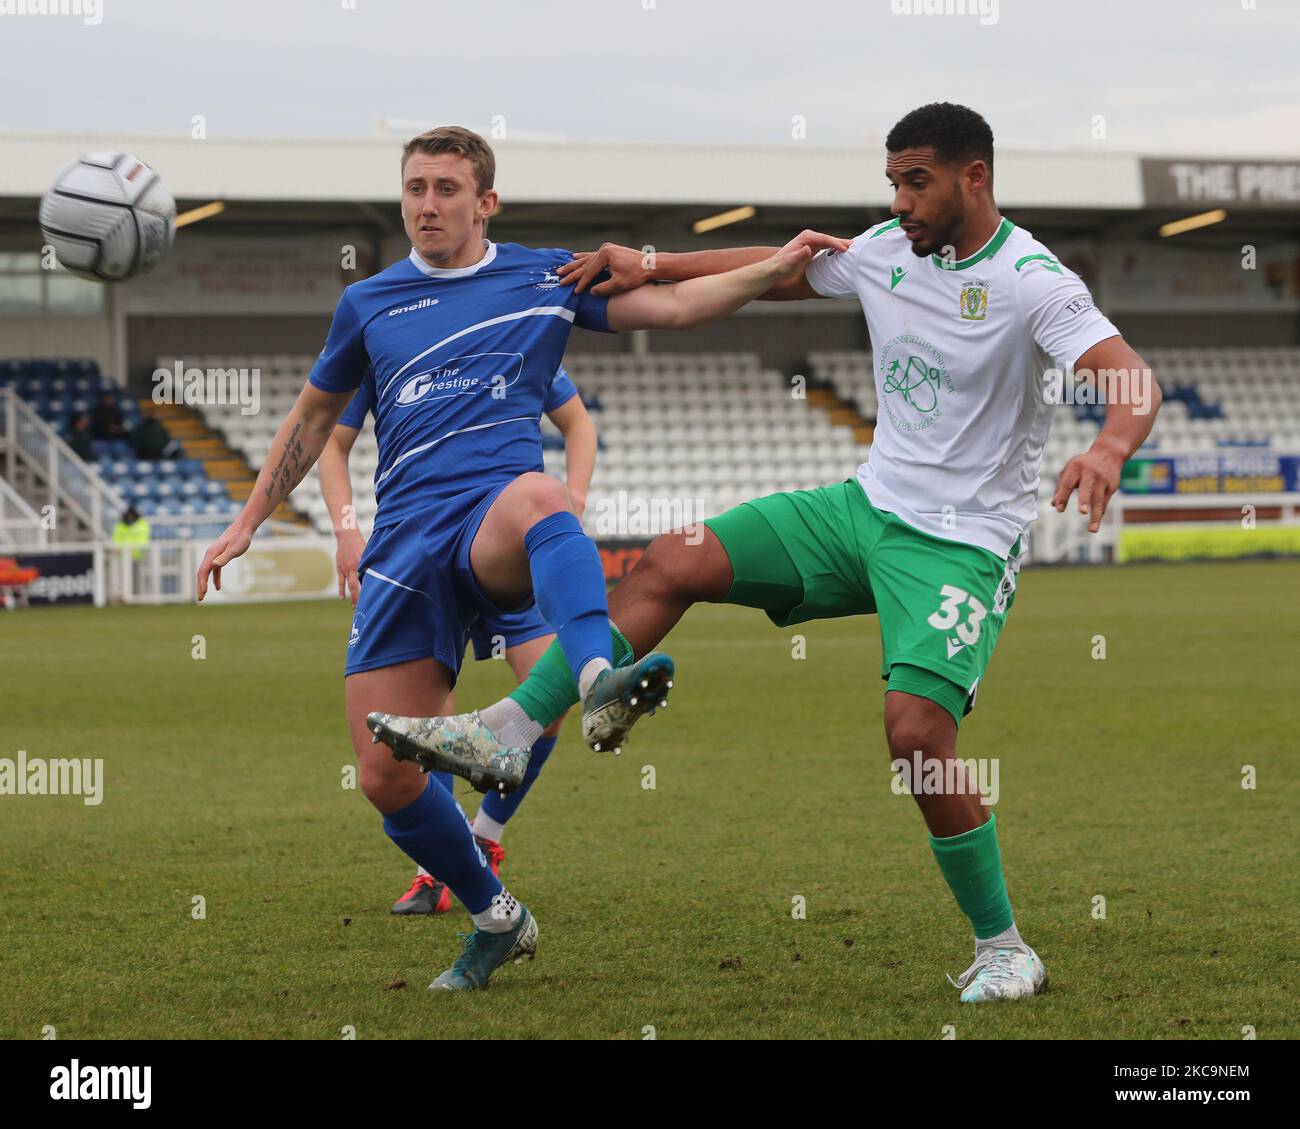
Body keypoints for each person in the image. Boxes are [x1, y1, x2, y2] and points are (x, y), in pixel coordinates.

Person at [370, 104, 1162, 1003]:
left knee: (916, 736)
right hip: (861, 509)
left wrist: (1107, 447)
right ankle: (506, 731)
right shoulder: (890, 250)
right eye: (892, 183)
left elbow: (1130, 376)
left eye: (916, 182)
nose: (899, 201)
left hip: (960, 544)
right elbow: (782, 276)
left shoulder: (1032, 280)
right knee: (674, 559)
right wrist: (651, 262)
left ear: (974, 177)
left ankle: (1005, 946)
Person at [195, 124, 839, 991]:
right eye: (416, 187)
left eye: (447, 188)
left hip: (494, 520)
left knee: (544, 498)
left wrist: (769, 268)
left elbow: (677, 306)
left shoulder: (546, 275)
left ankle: (596, 679)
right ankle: (496, 914)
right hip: (404, 548)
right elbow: (314, 422)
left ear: (484, 200)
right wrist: (247, 521)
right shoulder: (369, 303)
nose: (429, 203)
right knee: (384, 776)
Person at [317, 363, 598, 915]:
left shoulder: (511, 323)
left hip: (500, 539)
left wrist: (574, 502)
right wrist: (347, 528)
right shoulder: (386, 337)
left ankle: (485, 833)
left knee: (551, 690)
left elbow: (578, 424)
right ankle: (437, 871)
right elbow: (331, 441)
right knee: (426, 720)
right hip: (423, 548)